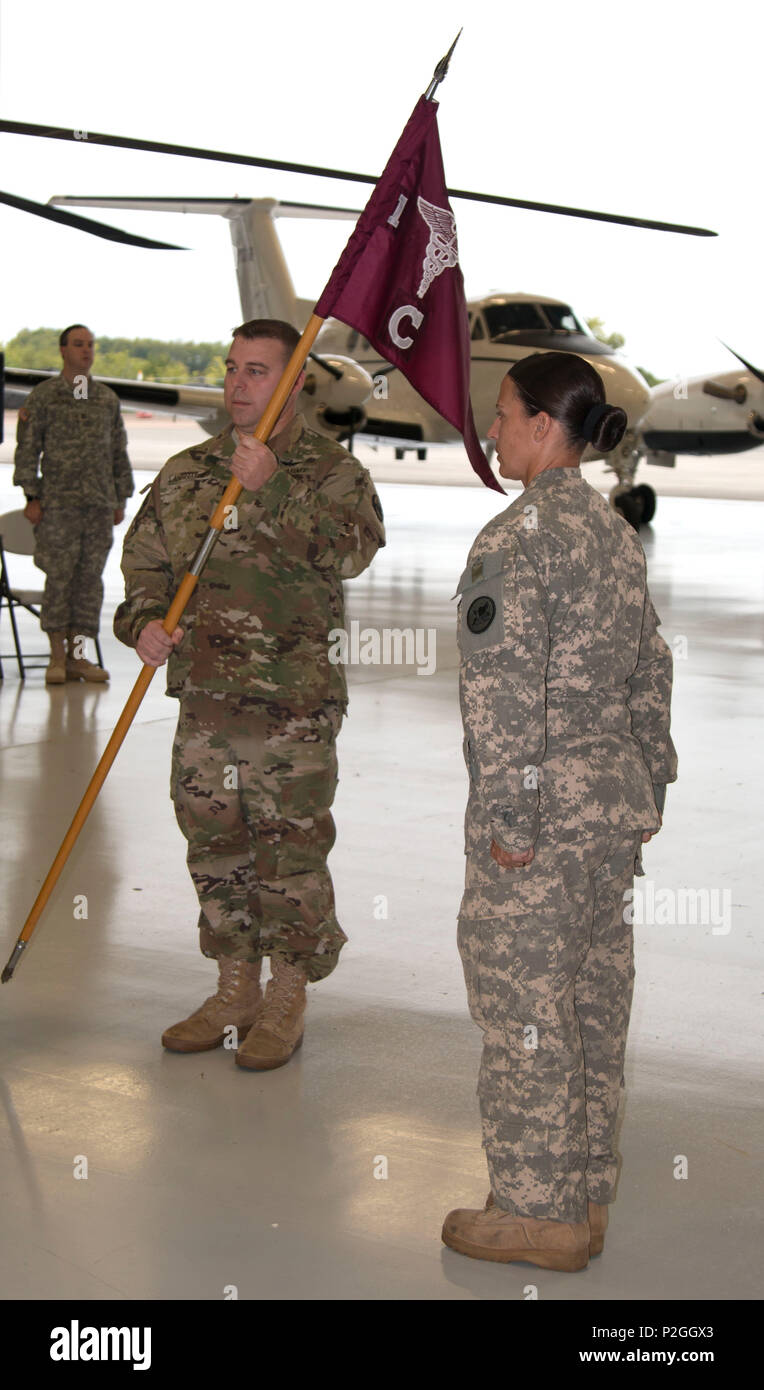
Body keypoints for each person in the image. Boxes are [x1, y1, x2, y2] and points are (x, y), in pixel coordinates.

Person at [442, 352, 677, 1271]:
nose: (493, 430)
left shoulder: (518, 537)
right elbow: (652, 668)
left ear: (545, 425)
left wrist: (512, 820)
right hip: (607, 814)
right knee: (590, 1002)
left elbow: (501, 700)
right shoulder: (612, 532)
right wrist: (648, 784)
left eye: (503, 414)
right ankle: (583, 1193)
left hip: (539, 826)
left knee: (525, 1010)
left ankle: (537, 1213)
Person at [114, 318, 385, 1070]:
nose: (237, 383)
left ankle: (286, 997)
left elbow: (352, 550)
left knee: (290, 851)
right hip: (206, 699)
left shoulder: (329, 471)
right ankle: (235, 989)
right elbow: (144, 565)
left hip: (291, 704)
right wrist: (143, 623)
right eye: (232, 367)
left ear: (293, 382)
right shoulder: (188, 471)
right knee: (215, 846)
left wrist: (274, 488)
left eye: (257, 371)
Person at [13, 324, 134, 683]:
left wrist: (120, 497)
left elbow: (118, 451)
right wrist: (32, 496)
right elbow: (28, 449)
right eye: (79, 344)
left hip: (98, 506)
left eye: (90, 345)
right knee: (60, 580)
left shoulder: (106, 399)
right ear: (63, 350)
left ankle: (78, 658)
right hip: (58, 507)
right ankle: (57, 657)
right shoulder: (45, 397)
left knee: (89, 584)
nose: (86, 351)